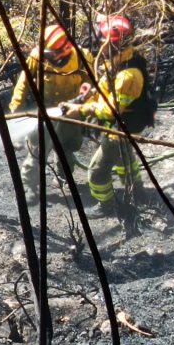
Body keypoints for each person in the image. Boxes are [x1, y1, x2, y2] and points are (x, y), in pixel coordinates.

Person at [61, 14, 153, 232]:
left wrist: (80, 111)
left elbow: (111, 110)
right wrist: (88, 93)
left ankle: (107, 205)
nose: (99, 47)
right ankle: (138, 191)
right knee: (125, 161)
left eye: (103, 43)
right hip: (119, 128)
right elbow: (106, 86)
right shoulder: (121, 61)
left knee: (97, 172)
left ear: (112, 45)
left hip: (119, 130)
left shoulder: (128, 75)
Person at [8, 23, 93, 198]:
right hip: (45, 111)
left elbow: (93, 86)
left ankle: (63, 178)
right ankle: (28, 186)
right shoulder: (36, 56)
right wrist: (16, 108)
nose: (46, 57)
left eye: (50, 54)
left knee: (67, 148)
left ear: (64, 49)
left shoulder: (82, 57)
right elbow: (23, 83)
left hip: (71, 112)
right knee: (38, 150)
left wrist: (88, 109)